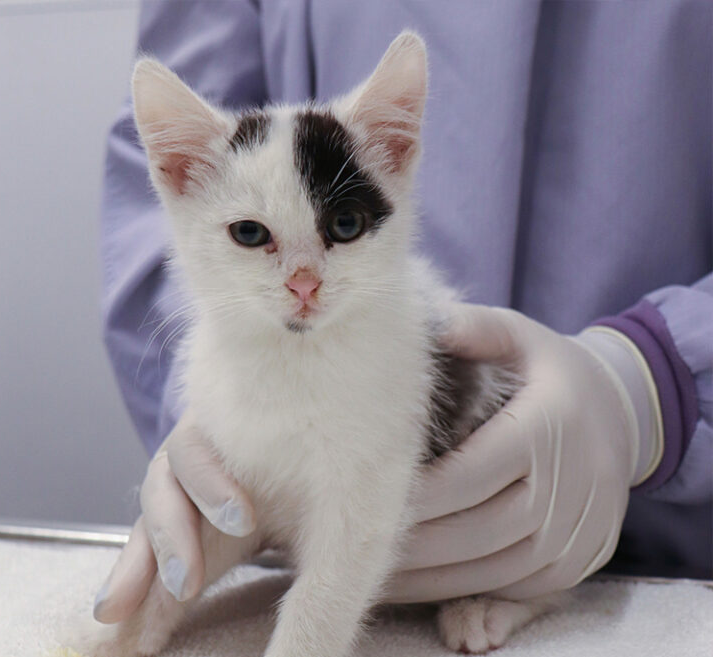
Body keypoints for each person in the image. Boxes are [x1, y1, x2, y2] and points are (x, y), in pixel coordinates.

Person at [93, 0, 712, 622]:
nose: (303, 282)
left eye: (343, 223)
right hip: (312, 550)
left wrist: (655, 381)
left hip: (668, 569)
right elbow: (173, 173)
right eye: (257, 235)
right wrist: (227, 403)